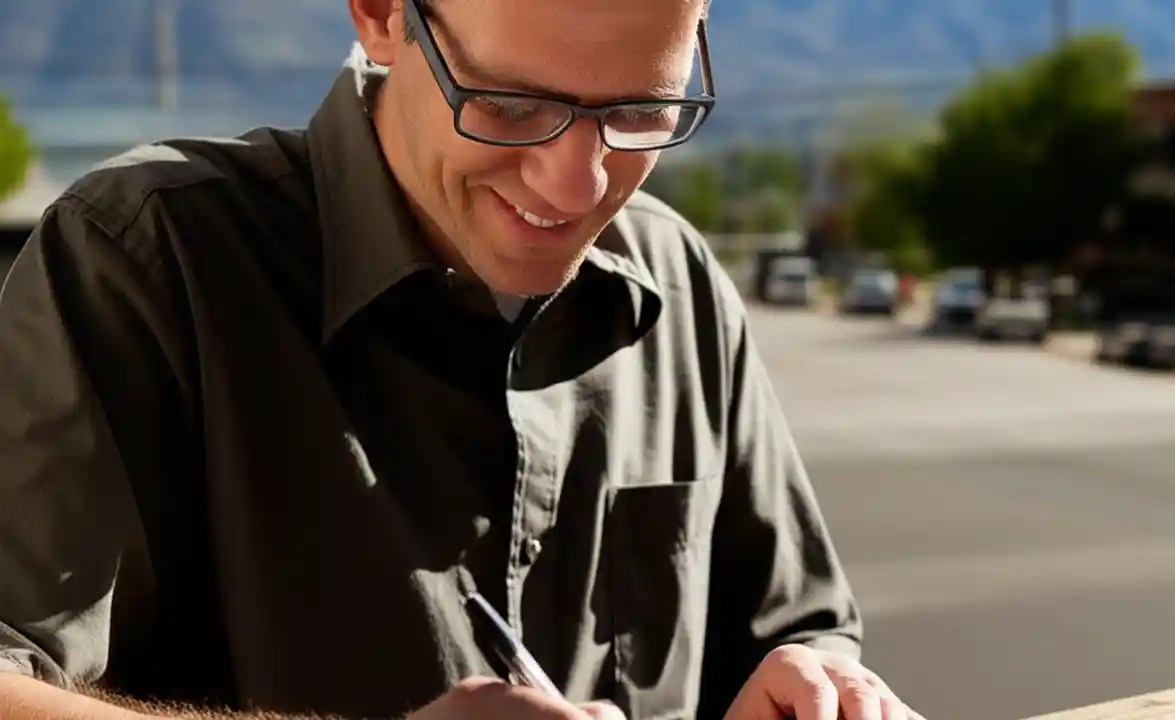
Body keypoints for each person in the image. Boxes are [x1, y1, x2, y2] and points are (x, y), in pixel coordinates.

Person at [0, 0, 926, 718]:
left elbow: (798, 633)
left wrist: (820, 682)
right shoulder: (145, 262)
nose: (578, 184)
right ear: (380, 14)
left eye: (644, 109)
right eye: (511, 104)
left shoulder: (679, 282)